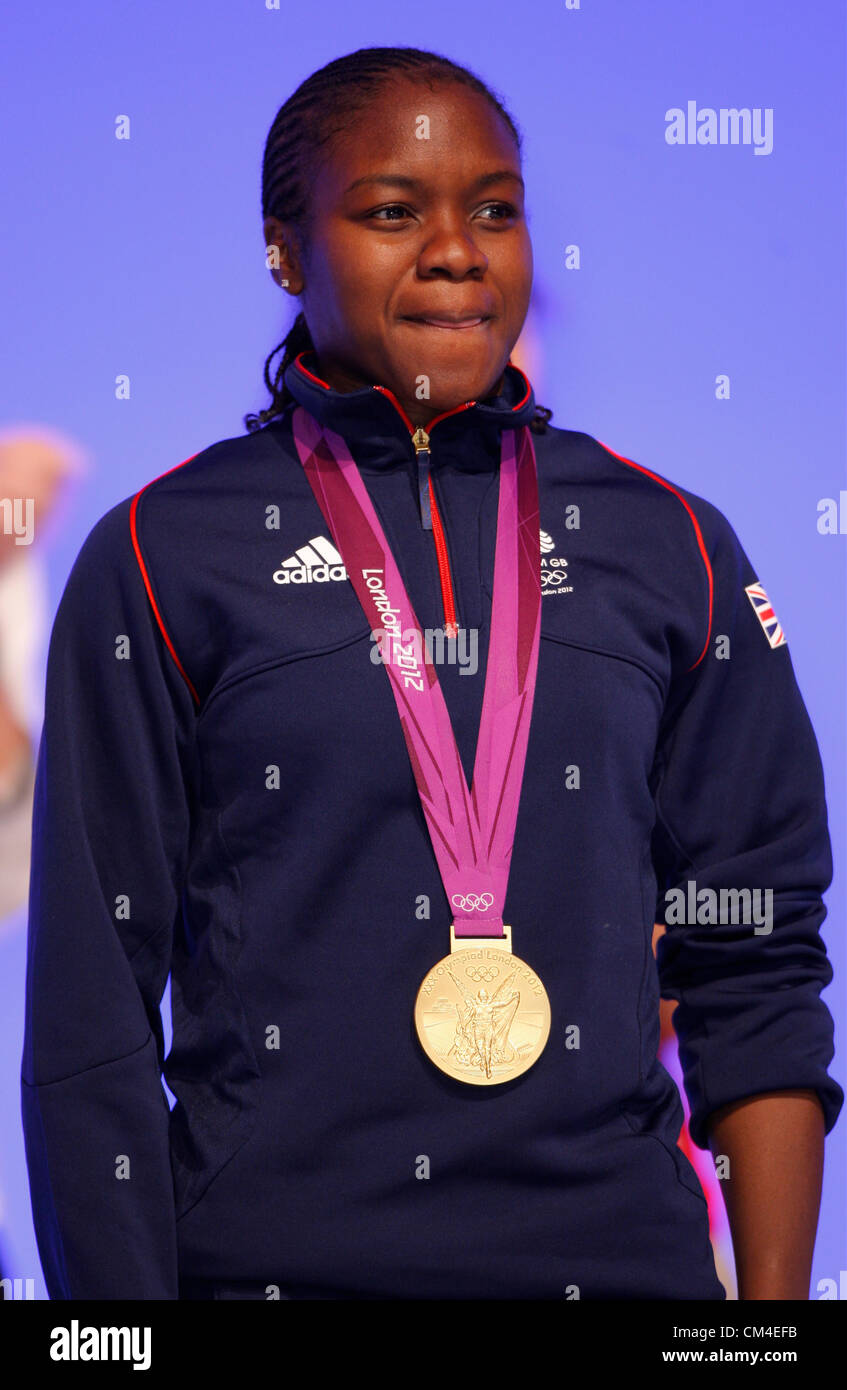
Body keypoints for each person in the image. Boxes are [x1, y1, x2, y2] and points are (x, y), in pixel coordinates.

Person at [21, 45, 842, 1302]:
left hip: (626, 1282)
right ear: (286, 253)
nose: (459, 249)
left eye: (495, 210)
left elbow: (758, 956)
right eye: (393, 211)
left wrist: (769, 1331)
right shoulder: (160, 553)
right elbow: (92, 1022)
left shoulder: (669, 543)